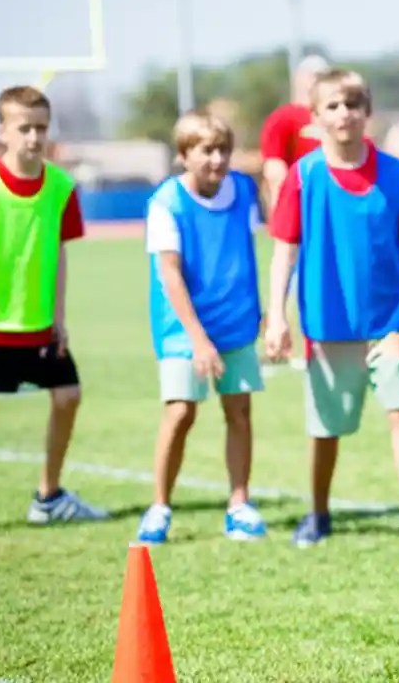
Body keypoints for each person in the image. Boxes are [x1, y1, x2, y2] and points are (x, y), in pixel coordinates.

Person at [265, 68, 399, 556]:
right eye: (333, 106)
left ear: (367, 112)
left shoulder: (395, 173)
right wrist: (276, 315)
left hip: (387, 320)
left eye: (353, 104)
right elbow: (284, 250)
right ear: (316, 116)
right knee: (327, 427)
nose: (344, 114)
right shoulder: (305, 176)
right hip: (327, 322)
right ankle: (318, 512)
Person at [0, 85, 108, 542]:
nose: (33, 137)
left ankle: (48, 498)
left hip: (40, 323)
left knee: (68, 394)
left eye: (41, 128)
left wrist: (59, 317)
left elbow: (60, 255)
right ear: (2, 131)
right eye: (23, 128)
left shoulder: (61, 188)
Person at [136, 111, 267, 544]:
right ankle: (159, 507)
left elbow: (243, 254)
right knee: (180, 412)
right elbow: (170, 275)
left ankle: (240, 505)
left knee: (240, 413)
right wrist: (198, 339)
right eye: (206, 151)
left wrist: (261, 315)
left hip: (236, 322)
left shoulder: (244, 190)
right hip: (183, 328)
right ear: (183, 155)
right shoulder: (166, 203)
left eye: (223, 150)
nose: (217, 159)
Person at [259, 54, 330, 220]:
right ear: (299, 79)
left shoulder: (334, 117)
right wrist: (282, 214)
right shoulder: (284, 118)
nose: (316, 81)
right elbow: (274, 169)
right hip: (300, 203)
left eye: (322, 76)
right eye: (312, 75)